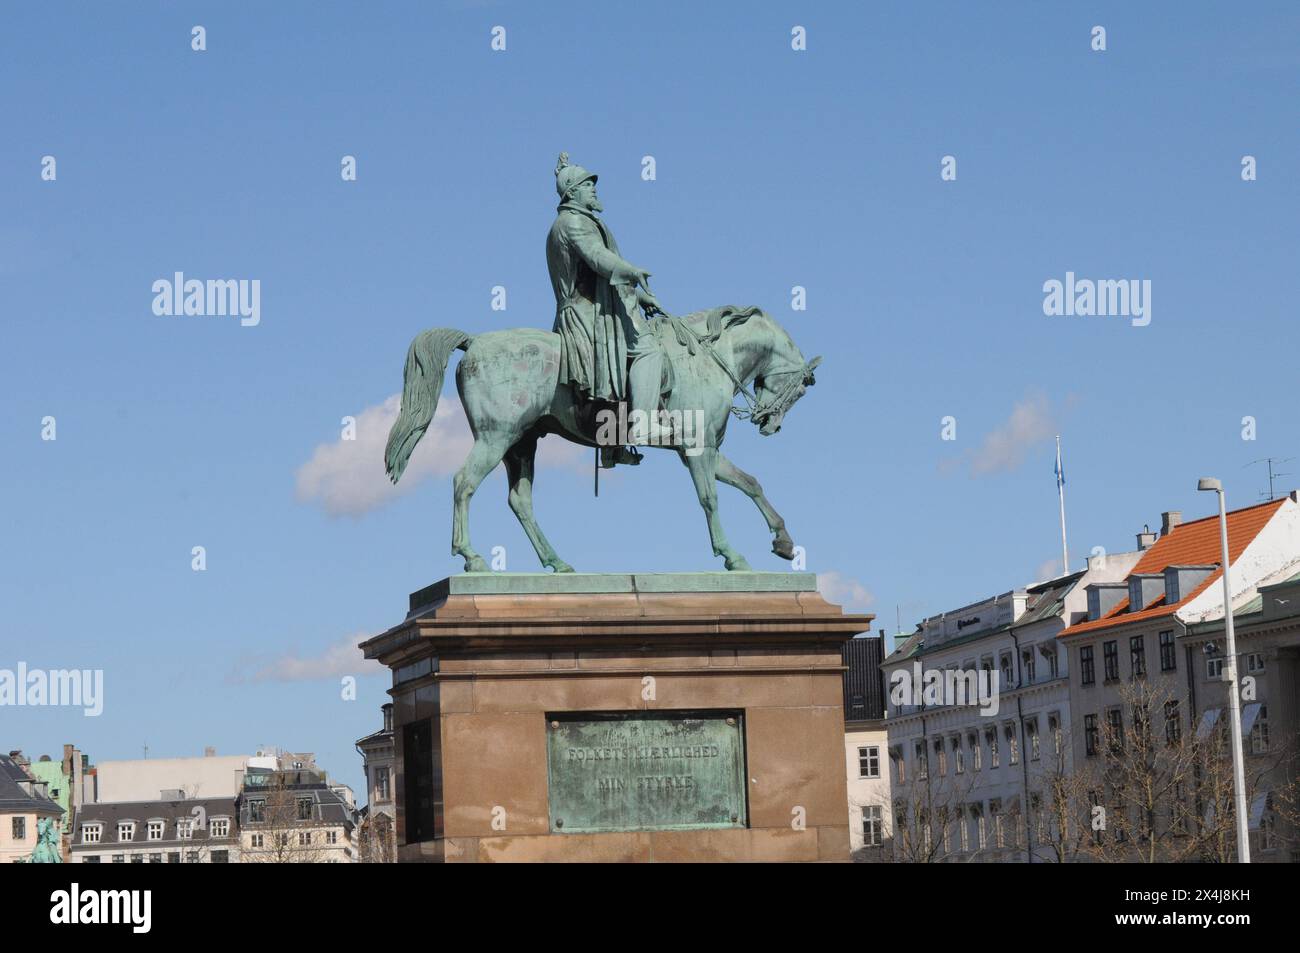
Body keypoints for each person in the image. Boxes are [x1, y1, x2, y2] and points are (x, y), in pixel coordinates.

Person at [546, 153, 672, 446]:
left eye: (592, 184)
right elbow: (599, 258)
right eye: (587, 185)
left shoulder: (577, 221)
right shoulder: (574, 222)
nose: (594, 189)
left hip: (592, 305)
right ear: (572, 192)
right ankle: (642, 425)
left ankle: (613, 448)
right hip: (586, 313)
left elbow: (595, 274)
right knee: (648, 348)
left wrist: (639, 297)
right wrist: (631, 270)